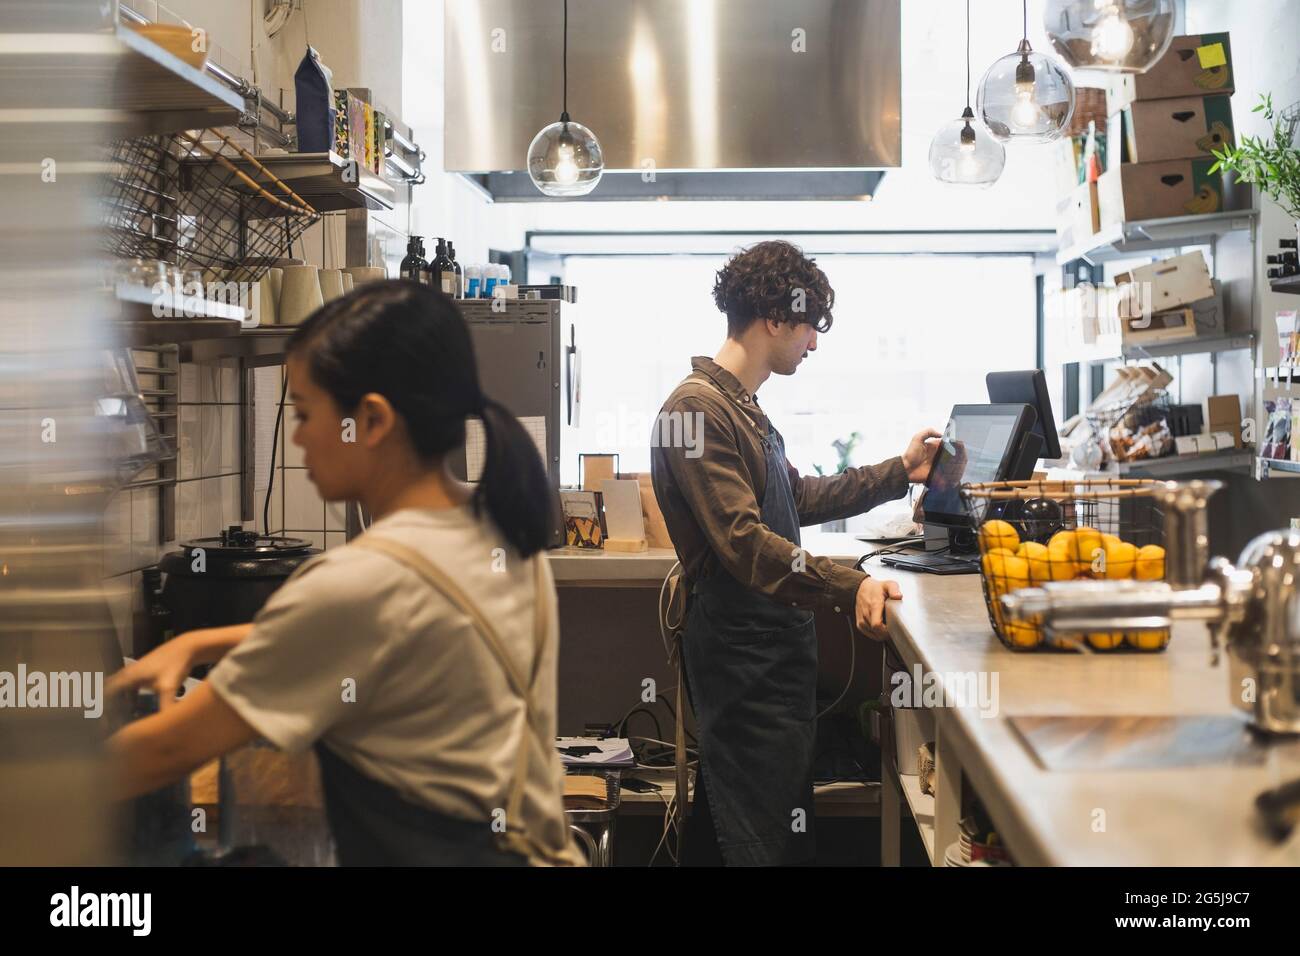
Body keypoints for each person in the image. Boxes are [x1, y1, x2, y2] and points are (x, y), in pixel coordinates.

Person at [108, 281, 582, 866]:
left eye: (307, 412)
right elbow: (400, 635)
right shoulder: (500, 528)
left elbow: (165, 751)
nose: (300, 437)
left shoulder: (360, 580)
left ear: (372, 420)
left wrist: (30, 780)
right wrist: (204, 640)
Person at [650, 240, 940, 866]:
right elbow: (747, 545)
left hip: (767, 650)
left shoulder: (741, 408)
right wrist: (849, 584)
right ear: (775, 319)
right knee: (762, 837)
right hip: (744, 658)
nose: (813, 343)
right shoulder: (696, 412)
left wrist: (902, 470)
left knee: (739, 821)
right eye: (810, 326)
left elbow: (797, 496)